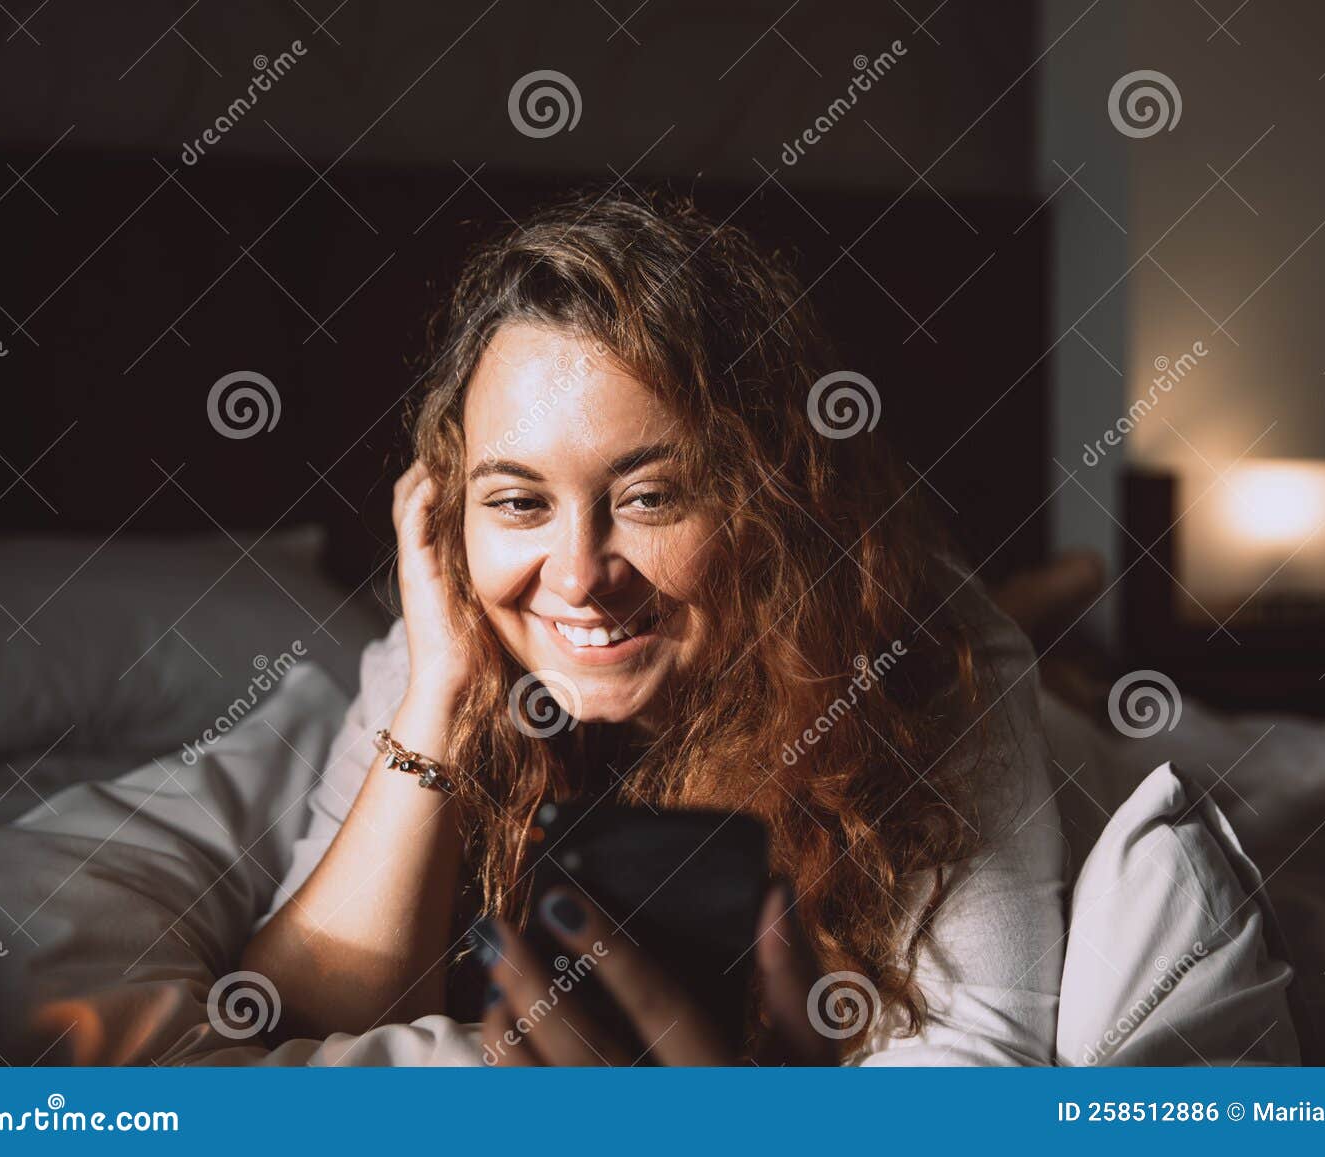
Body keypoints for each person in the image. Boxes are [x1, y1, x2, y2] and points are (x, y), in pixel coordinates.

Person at [240, 190, 1066, 1064]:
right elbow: (299, 1020)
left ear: (771, 502)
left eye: (651, 497)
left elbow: (980, 1072)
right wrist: (439, 688)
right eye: (520, 502)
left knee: (1038, 648)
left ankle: (1055, 603)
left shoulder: (931, 654)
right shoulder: (450, 632)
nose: (578, 578)